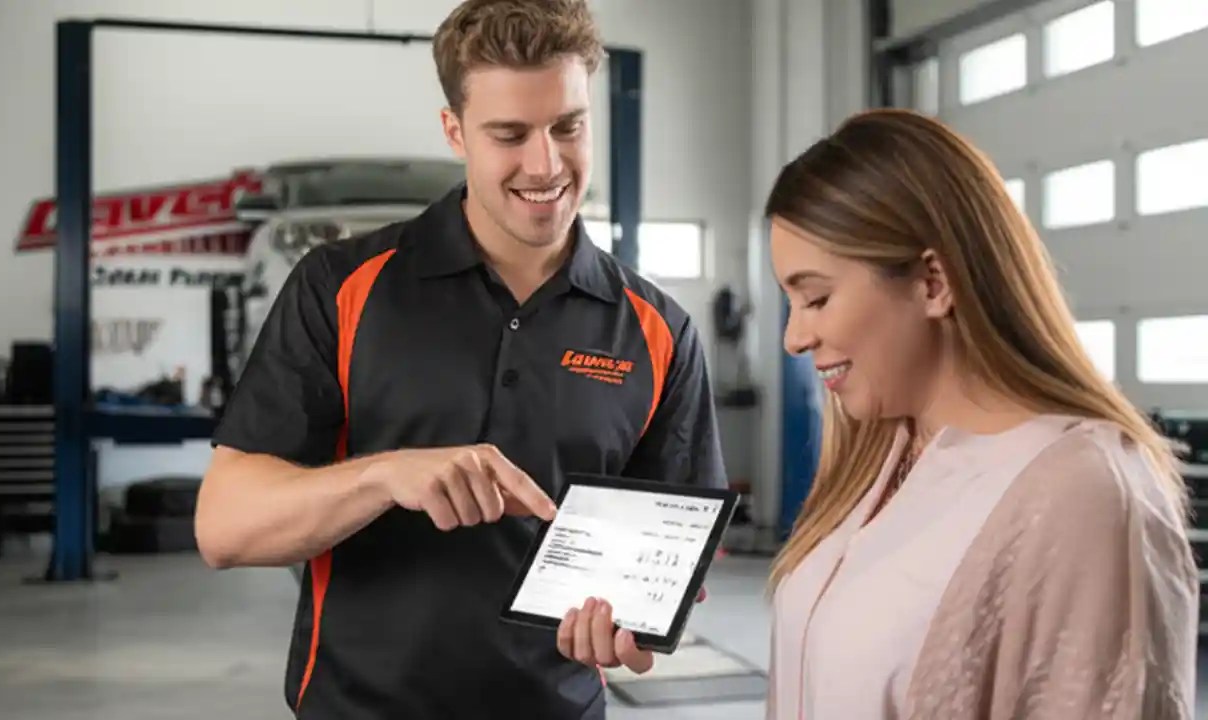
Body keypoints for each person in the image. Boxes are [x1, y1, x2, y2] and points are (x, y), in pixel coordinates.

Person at [194, 1, 727, 718]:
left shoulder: (658, 331)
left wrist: (633, 636)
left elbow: (666, 577)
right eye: (509, 134)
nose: (546, 164)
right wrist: (386, 475)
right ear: (455, 131)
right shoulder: (343, 287)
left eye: (568, 126)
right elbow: (224, 528)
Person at [762, 109, 1199, 719]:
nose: (794, 337)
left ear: (933, 281)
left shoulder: (1084, 494)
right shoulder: (881, 457)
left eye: (816, 298)